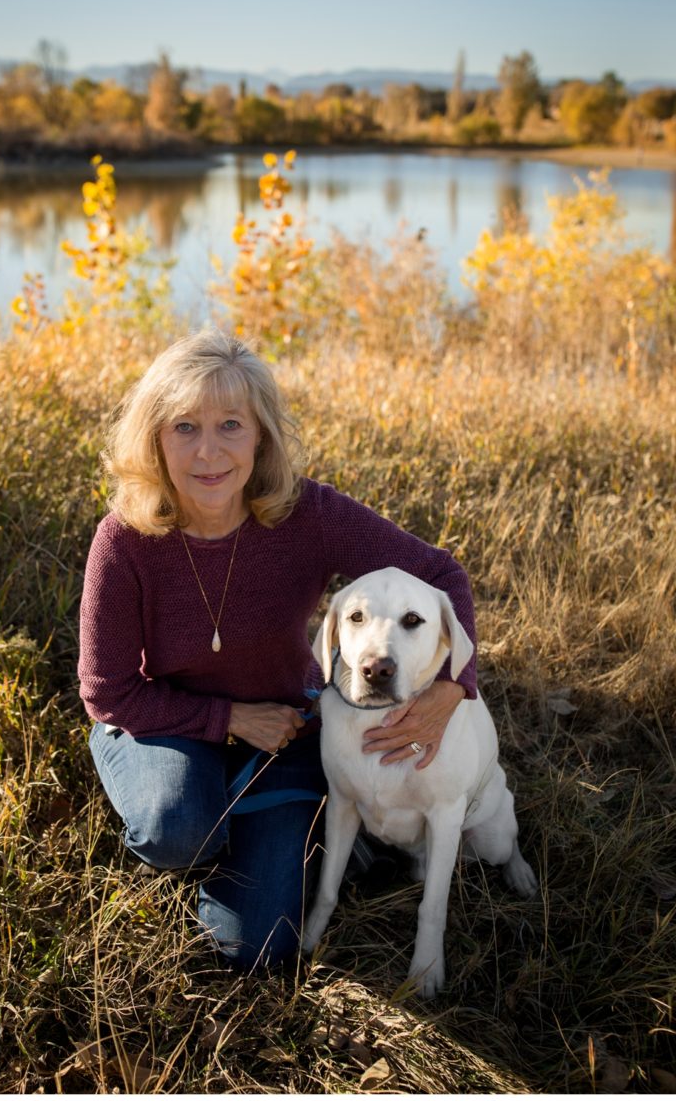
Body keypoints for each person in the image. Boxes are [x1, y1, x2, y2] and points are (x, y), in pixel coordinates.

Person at [79, 327, 478, 970]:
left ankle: (279, 827)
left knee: (257, 952)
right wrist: (230, 720)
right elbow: (107, 692)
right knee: (173, 827)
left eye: (230, 425)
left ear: (260, 434)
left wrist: (454, 688)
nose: (208, 452)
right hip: (159, 723)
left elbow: (443, 576)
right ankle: (222, 819)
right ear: (154, 436)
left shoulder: (307, 514)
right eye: (184, 427)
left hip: (286, 735)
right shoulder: (125, 540)